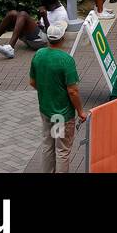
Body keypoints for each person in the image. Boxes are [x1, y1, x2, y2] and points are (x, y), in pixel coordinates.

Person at [28, 18, 85, 173]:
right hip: (61, 115)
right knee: (62, 150)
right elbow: (73, 91)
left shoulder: (39, 55)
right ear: (63, 38)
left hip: (46, 110)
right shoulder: (66, 60)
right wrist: (80, 111)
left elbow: (32, 82)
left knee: (48, 145)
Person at [0, 0, 68, 59]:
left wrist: (44, 17)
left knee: (23, 14)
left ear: (53, 4)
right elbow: (42, 24)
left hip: (44, 41)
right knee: (12, 14)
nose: (46, 9)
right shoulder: (50, 8)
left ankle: (10, 48)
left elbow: (54, 36)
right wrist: (39, 21)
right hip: (38, 35)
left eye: (47, 7)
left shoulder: (62, 15)